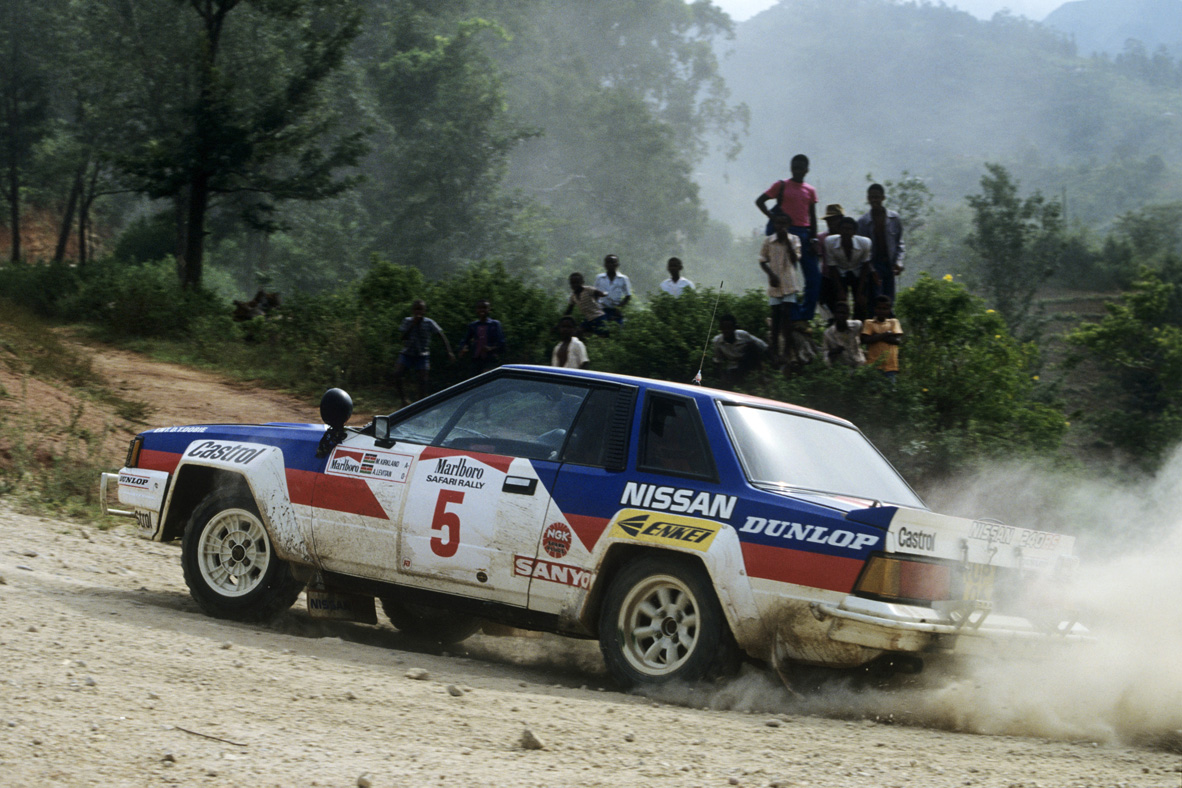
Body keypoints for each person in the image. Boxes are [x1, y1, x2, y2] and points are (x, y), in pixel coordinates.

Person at [755, 154, 820, 321]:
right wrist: (773, 218)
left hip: (804, 233)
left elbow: (812, 216)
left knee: (814, 278)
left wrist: (814, 239)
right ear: (791, 168)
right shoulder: (781, 185)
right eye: (795, 167)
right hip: (786, 233)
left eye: (800, 168)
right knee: (787, 276)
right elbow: (760, 201)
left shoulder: (810, 190)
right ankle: (792, 315)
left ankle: (805, 316)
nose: (797, 171)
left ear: (806, 170)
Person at [758, 215, 802, 366]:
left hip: (789, 282)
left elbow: (795, 259)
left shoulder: (794, 239)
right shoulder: (768, 241)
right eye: (778, 223)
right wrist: (771, 275)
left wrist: (787, 242)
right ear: (774, 224)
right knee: (775, 315)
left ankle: (787, 350)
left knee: (786, 314)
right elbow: (762, 261)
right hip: (775, 283)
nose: (780, 226)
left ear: (789, 224)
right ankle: (775, 349)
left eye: (784, 223)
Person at [392, 299, 455, 406]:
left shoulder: (429, 322)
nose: (418, 312)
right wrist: (412, 325)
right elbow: (403, 337)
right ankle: (404, 400)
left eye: (420, 309)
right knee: (397, 374)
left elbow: (441, 336)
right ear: (412, 310)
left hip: (422, 355)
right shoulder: (407, 321)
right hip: (407, 353)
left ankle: (420, 404)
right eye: (416, 309)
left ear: (424, 311)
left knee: (423, 380)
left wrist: (449, 351)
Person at [856, 183, 906, 303]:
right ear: (868, 198)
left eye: (877, 197)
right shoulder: (863, 222)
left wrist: (899, 262)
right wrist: (871, 269)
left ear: (883, 198)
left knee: (889, 300)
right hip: (874, 265)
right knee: (876, 299)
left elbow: (899, 243)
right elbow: (862, 251)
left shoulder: (894, 218)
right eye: (871, 197)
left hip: (889, 264)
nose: (874, 200)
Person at [823, 216, 876, 320]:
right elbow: (832, 267)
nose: (846, 232)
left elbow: (865, 266)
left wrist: (860, 292)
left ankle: (860, 324)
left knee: (861, 302)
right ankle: (839, 323)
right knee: (839, 301)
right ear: (839, 230)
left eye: (849, 229)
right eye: (843, 228)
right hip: (840, 272)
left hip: (858, 272)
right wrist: (840, 290)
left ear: (854, 232)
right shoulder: (829, 242)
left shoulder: (865, 243)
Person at [712, 314, 768, 389]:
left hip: (748, 360)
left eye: (729, 328)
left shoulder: (742, 335)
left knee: (752, 345)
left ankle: (761, 375)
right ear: (720, 328)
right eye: (724, 328)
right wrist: (722, 377)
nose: (726, 331)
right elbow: (718, 361)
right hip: (734, 365)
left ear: (734, 328)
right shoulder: (717, 341)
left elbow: (762, 345)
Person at [457, 299, 505, 376]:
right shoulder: (473, 325)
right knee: (475, 378)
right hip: (476, 359)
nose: (482, 310)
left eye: (484, 308)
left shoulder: (495, 324)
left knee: (487, 377)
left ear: (489, 309)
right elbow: (465, 340)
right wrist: (462, 348)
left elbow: (501, 342)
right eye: (479, 308)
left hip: (490, 358)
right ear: (476, 310)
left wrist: (491, 348)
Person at [860, 295, 903, 379]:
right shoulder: (869, 323)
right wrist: (887, 334)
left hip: (890, 366)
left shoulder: (893, 322)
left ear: (889, 310)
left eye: (885, 309)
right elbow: (866, 340)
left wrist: (876, 336)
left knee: (889, 387)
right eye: (879, 308)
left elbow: (897, 341)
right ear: (874, 309)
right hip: (873, 365)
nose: (881, 311)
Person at [816, 203, 844, 318]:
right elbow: (818, 258)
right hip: (827, 276)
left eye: (834, 219)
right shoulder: (821, 237)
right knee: (826, 303)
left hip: (844, 275)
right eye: (829, 220)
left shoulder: (847, 235)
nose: (831, 223)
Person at [822, 300, 866, 368]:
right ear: (834, 314)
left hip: (859, 363)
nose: (841, 315)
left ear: (848, 315)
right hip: (843, 367)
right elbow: (825, 353)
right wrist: (833, 351)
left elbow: (862, 335)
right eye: (838, 313)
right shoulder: (828, 334)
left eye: (844, 313)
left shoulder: (856, 325)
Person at [594, 254, 633, 324]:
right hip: (602, 309)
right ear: (605, 265)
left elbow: (628, 296)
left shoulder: (623, 278)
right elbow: (595, 293)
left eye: (613, 262)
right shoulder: (599, 278)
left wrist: (619, 308)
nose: (611, 265)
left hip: (616, 310)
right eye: (608, 262)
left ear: (617, 264)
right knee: (601, 328)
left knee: (616, 328)